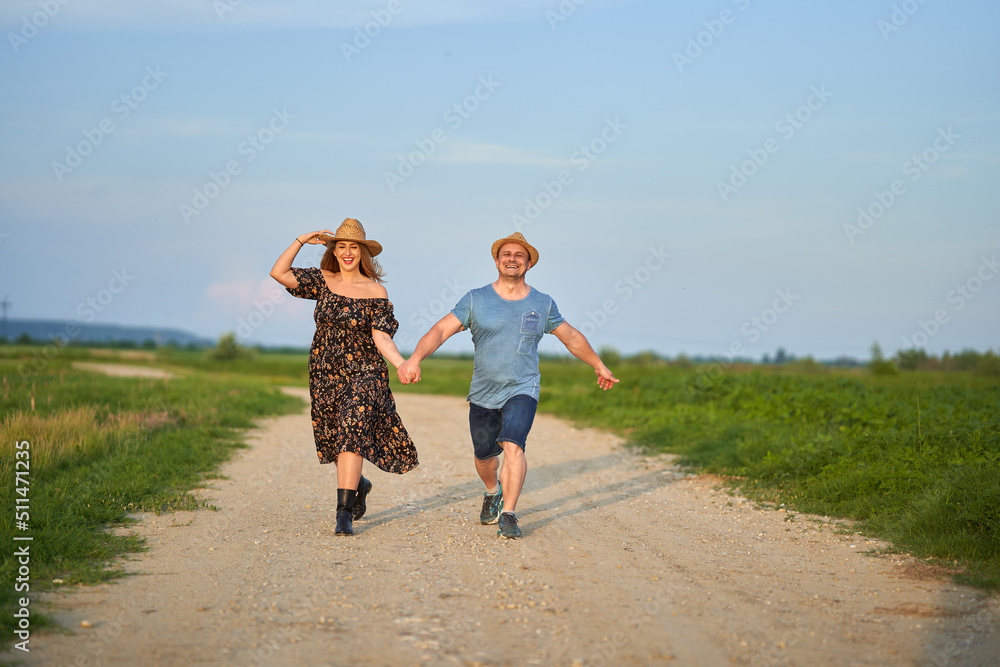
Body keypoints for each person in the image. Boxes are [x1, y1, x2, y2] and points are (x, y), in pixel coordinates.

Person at [398, 232, 618, 539]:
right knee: (484, 457)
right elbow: (440, 330)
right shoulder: (476, 299)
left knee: (514, 446)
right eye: (506, 254)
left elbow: (571, 336)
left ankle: (510, 514)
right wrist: (415, 358)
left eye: (519, 255)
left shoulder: (542, 303)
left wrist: (599, 365)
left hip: (523, 388)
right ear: (497, 260)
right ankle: (492, 491)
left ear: (529, 263)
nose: (512, 259)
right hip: (483, 393)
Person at [270, 218, 418, 536]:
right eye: (342, 246)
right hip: (324, 373)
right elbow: (278, 273)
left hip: (366, 373)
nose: (348, 252)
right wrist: (300, 239)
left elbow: (382, 338)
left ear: (363, 252)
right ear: (333, 251)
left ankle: (343, 514)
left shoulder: (375, 291)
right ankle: (358, 484)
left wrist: (400, 363)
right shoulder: (322, 280)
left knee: (352, 430)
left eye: (354, 247)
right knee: (336, 440)